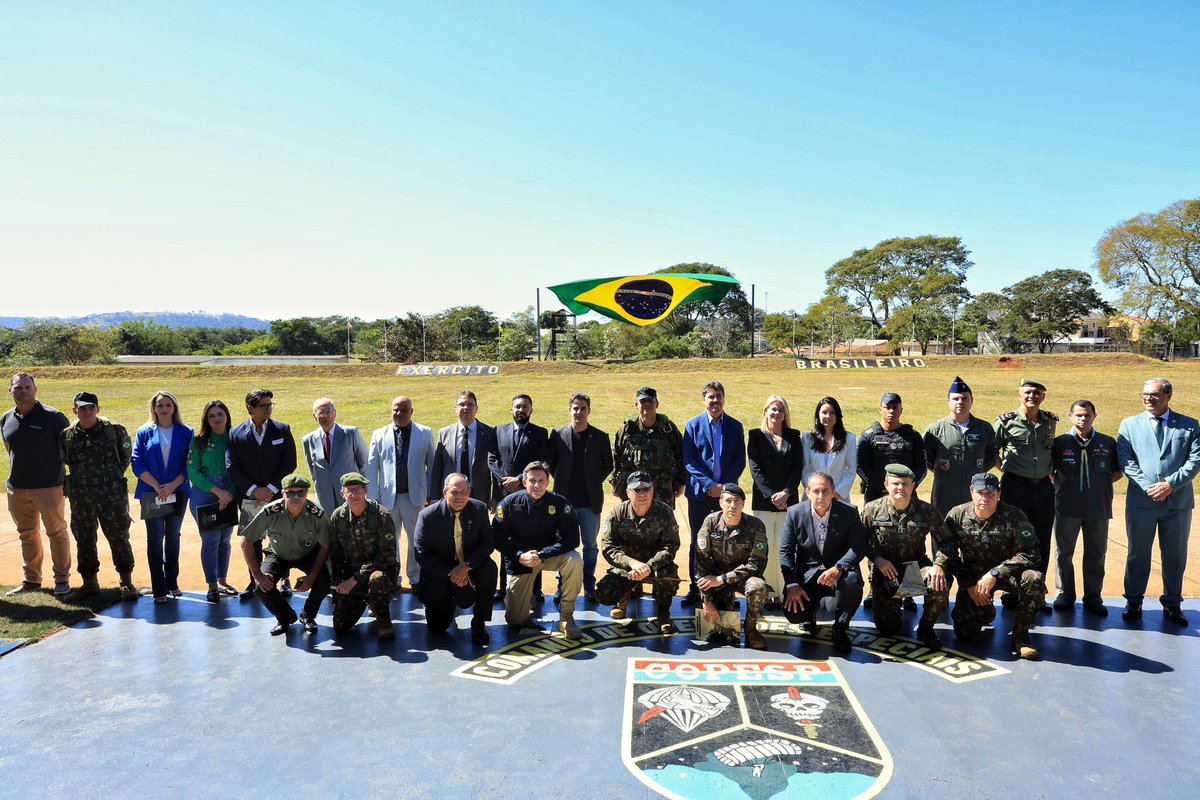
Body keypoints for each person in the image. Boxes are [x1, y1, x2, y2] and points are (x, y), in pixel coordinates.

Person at [1117, 378, 1200, 626]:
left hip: (1177, 502)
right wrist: (1149, 487)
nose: (1148, 399)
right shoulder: (1129, 424)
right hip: (1141, 502)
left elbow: (1195, 461)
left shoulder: (1189, 425)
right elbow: (1126, 460)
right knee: (1137, 553)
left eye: (1154, 395)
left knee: (1175, 555)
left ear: (1168, 395)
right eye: (1144, 395)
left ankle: (1173, 604)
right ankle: (1133, 601)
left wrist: (1170, 484)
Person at [941, 473, 1045, 660]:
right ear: (972, 492)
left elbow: (1031, 553)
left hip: (1007, 574)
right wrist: (969, 585)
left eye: (990, 493)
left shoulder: (1014, 515)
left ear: (999, 494)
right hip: (974, 578)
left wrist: (996, 573)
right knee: (965, 634)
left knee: (1033, 578)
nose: (985, 498)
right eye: (980, 492)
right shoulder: (956, 515)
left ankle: (1021, 636)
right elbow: (948, 555)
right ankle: (986, 610)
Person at [58, 391, 137, 602]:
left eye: (90, 407)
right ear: (75, 410)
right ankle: (90, 583)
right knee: (84, 539)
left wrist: (110, 478)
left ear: (98, 409)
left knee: (118, 536)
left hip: (111, 495)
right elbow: (66, 460)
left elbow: (125, 458)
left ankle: (126, 581)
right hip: (82, 497)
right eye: (82, 408)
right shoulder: (67, 435)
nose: (86, 411)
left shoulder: (115, 431)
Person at [861, 464, 952, 648]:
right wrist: (877, 559)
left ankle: (926, 628)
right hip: (887, 570)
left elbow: (947, 541)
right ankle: (893, 607)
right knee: (888, 628)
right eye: (895, 483)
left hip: (917, 567)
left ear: (913, 486)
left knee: (940, 583)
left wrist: (938, 565)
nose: (900, 488)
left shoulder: (927, 511)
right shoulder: (872, 509)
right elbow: (860, 541)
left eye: (905, 484)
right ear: (886, 485)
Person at [492, 461, 583, 638]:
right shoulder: (508, 504)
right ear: (524, 482)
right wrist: (520, 556)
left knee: (574, 559)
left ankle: (566, 617)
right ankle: (526, 598)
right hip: (521, 561)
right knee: (515, 620)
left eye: (542, 481)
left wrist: (542, 554)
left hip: (547, 556)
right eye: (532, 480)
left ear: (548, 483)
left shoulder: (560, 503)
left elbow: (572, 539)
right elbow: (497, 538)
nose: (537, 485)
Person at [779, 472, 867, 653]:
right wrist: (793, 584)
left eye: (826, 491)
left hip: (838, 572)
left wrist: (839, 567)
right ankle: (808, 616)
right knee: (794, 614)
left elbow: (858, 547)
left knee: (853, 581)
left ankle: (841, 627)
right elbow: (786, 551)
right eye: (816, 491)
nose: (821, 496)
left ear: (833, 492)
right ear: (808, 492)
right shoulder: (794, 513)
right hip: (808, 573)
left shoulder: (849, 512)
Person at [2, 373, 72, 596]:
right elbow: (9, 448)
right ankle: (32, 580)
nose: (24, 391)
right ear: (10, 391)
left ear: (35, 389)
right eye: (18, 388)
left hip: (49, 487)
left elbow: (67, 451)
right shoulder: (6, 418)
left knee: (57, 532)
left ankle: (62, 580)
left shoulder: (54, 417)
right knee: (27, 534)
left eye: (27, 387)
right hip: (17, 488)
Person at [1051, 400, 1122, 616]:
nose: (1083, 419)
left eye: (1087, 415)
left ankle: (1093, 597)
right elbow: (1049, 471)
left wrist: (1098, 487)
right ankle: (1065, 594)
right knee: (1063, 552)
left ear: (1094, 416)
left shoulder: (1107, 442)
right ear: (1070, 416)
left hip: (1098, 506)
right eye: (1079, 415)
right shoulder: (1059, 443)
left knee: (1096, 552)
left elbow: (1117, 471)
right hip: (1066, 506)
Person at [239, 473, 332, 636]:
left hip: (307, 554)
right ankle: (285, 617)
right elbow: (246, 543)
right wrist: (257, 574)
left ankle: (308, 616)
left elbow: (325, 545)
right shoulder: (269, 511)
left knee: (323, 582)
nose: (295, 497)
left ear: (307, 493)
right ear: (283, 493)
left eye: (301, 492)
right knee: (260, 587)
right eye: (290, 493)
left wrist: (312, 576)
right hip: (278, 554)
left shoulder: (317, 514)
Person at [226, 389, 297, 599]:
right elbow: (232, 466)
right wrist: (253, 490)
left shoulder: (282, 430)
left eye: (270, 405)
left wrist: (271, 489)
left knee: (280, 538)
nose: (268, 409)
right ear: (250, 408)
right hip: (249, 497)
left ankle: (284, 580)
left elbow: (289, 463)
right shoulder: (235, 433)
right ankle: (255, 581)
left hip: (275, 496)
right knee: (252, 540)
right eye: (263, 406)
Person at [993, 379, 1056, 611]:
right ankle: (1012, 591)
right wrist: (1006, 469)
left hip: (1043, 488)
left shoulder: (1050, 422)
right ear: (1019, 395)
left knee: (1042, 538)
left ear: (1043, 397)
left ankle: (1036, 592)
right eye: (1028, 392)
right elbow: (992, 450)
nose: (1032, 396)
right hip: (1015, 486)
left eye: (1037, 393)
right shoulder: (1005, 422)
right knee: (1013, 538)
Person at [683, 381, 746, 607]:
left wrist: (725, 488)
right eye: (711, 397)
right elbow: (689, 460)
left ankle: (726, 591)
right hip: (701, 494)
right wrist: (710, 484)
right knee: (698, 542)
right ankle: (695, 588)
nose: (715, 401)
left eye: (719, 396)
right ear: (704, 400)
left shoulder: (736, 426)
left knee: (727, 542)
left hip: (727, 497)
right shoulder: (692, 425)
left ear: (724, 398)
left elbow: (740, 460)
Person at [414, 473, 497, 646]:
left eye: (463, 492)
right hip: (441, 572)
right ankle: (447, 604)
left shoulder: (479, 509)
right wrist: (452, 573)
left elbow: (488, 544)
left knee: (489, 568)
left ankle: (479, 622)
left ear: (469, 492)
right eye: (454, 492)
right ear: (445, 493)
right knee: (437, 629)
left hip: (469, 566)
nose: (459, 497)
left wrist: (466, 566)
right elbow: (421, 554)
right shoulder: (427, 516)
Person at [366, 395, 436, 593]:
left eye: (404, 409)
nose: (399, 413)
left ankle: (415, 577)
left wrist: (431, 494)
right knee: (389, 539)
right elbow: (372, 467)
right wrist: (372, 497)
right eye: (396, 409)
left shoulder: (425, 433)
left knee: (416, 537)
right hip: (387, 497)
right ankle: (393, 577)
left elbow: (432, 465)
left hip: (415, 497)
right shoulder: (379, 434)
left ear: (411, 412)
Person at [547, 393, 613, 603]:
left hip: (589, 503)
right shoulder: (557, 435)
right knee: (564, 545)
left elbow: (608, 465)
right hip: (564, 503)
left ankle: (588, 585)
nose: (579, 412)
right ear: (570, 410)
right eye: (575, 408)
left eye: (583, 408)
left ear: (589, 411)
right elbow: (551, 463)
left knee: (590, 546)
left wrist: (593, 481)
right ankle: (563, 585)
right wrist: (562, 481)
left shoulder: (600, 437)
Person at [596, 471, 680, 634]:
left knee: (670, 578)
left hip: (655, 565)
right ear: (628, 492)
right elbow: (608, 546)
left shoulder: (665, 512)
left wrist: (649, 566)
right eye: (637, 490)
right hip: (627, 566)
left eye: (646, 489)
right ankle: (623, 599)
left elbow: (671, 545)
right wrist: (631, 564)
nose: (642, 494)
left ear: (652, 490)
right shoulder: (617, 513)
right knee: (604, 593)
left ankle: (663, 613)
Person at [131, 391, 192, 604]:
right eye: (160, 405)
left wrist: (173, 485)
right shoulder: (144, 432)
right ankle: (159, 588)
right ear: (154, 408)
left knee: (173, 535)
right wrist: (157, 486)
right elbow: (136, 462)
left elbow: (190, 463)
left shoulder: (186, 432)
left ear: (174, 408)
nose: (164, 409)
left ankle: (172, 582)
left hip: (177, 491)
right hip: (152, 492)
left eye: (168, 405)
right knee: (155, 539)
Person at [694, 484, 770, 650]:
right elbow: (701, 563)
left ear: (743, 503)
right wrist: (706, 601)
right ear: (721, 502)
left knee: (758, 587)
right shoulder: (710, 522)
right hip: (714, 579)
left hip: (741, 578)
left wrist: (723, 579)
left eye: (737, 501)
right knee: (718, 634)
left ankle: (750, 629)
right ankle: (722, 604)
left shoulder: (756, 525)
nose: (733, 505)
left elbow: (756, 564)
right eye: (728, 501)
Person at [492, 393, 551, 601]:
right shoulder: (498, 431)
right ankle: (502, 587)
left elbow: (543, 462)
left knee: (534, 538)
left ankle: (536, 589)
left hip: (531, 494)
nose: (521, 410)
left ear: (531, 410)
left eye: (525, 407)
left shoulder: (540, 433)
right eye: (517, 406)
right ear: (511, 409)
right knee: (505, 539)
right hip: (504, 494)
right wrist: (506, 481)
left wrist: (519, 480)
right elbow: (492, 459)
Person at [747, 395, 804, 605]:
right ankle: (767, 594)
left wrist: (787, 493)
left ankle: (784, 591)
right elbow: (755, 469)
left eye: (780, 410)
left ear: (785, 414)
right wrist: (772, 495)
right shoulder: (755, 436)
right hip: (764, 501)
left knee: (786, 546)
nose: (777, 413)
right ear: (765, 411)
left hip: (789, 501)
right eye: (773, 409)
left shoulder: (794, 436)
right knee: (765, 547)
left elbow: (798, 467)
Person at [328, 472, 398, 639]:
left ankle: (383, 617)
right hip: (351, 575)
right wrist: (337, 584)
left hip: (379, 572)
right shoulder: (338, 517)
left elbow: (388, 556)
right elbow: (336, 554)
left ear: (366, 491)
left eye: (357, 490)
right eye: (349, 490)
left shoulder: (382, 515)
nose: (353, 495)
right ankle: (365, 600)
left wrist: (356, 579)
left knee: (378, 579)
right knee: (340, 627)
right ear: (342, 494)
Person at [188, 399, 240, 603]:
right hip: (205, 491)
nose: (216, 419)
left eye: (220, 414)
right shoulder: (198, 441)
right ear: (206, 420)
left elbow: (239, 469)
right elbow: (193, 472)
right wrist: (218, 492)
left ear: (226, 416)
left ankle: (223, 580)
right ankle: (211, 586)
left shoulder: (235, 438)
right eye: (211, 416)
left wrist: (230, 493)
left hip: (230, 490)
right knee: (210, 541)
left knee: (225, 540)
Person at [923, 376, 998, 516]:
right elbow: (927, 458)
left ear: (972, 401)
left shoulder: (984, 428)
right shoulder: (935, 429)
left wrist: (973, 469)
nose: (960, 402)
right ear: (948, 402)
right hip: (945, 491)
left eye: (964, 398)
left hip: (975, 491)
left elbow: (991, 457)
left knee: (973, 532)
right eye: (956, 399)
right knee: (942, 530)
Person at [611, 386, 685, 510]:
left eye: (650, 401)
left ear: (657, 404)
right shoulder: (628, 429)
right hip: (634, 488)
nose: (646, 405)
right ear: (636, 405)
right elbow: (616, 455)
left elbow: (680, 454)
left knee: (663, 525)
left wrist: (681, 482)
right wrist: (615, 483)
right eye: (642, 402)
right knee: (632, 525)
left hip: (662, 490)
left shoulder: (668, 428)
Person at [430, 389, 502, 509]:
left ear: (476, 409)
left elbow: (495, 468)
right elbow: (437, 467)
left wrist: (496, 496)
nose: (466, 408)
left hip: (478, 493)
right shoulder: (444, 433)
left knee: (477, 526)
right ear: (455, 408)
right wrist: (434, 496)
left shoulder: (489, 432)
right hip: (452, 492)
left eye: (470, 404)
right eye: (462, 404)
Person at [857, 392, 926, 503]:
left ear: (901, 410)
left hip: (907, 494)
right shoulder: (868, 436)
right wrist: (881, 486)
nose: (891, 411)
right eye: (887, 407)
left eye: (895, 407)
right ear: (880, 409)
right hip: (876, 494)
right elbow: (860, 466)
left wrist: (909, 486)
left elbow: (922, 467)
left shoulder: (913, 436)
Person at [302, 397, 367, 514]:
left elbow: (363, 462)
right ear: (314, 416)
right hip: (325, 496)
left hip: (350, 493)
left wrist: (357, 486)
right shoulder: (308, 439)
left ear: (335, 413)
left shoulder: (350, 433)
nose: (325, 416)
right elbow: (313, 471)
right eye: (321, 413)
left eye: (328, 412)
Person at [800, 397, 856, 502]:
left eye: (832, 413)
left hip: (838, 497)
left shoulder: (849, 438)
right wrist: (815, 490)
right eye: (824, 412)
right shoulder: (807, 438)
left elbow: (851, 469)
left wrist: (837, 493)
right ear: (818, 415)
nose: (828, 416)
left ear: (837, 415)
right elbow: (805, 468)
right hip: (814, 497)